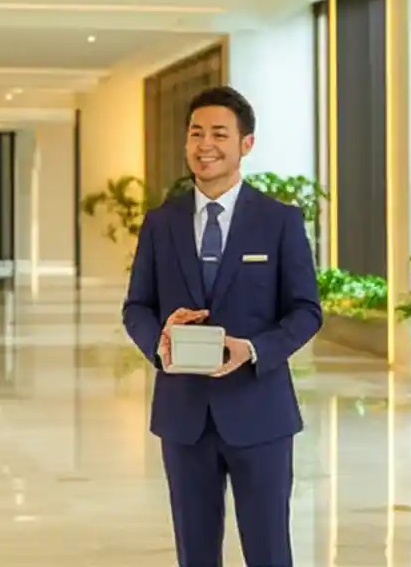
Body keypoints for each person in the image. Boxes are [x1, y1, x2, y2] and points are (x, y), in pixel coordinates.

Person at [123, 86, 323, 567]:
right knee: (195, 552)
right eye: (196, 133)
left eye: (219, 133)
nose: (204, 144)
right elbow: (137, 307)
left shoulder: (279, 221)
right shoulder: (161, 223)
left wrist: (253, 349)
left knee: (269, 550)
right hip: (183, 415)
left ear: (245, 144)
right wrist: (161, 341)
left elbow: (305, 311)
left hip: (261, 414)